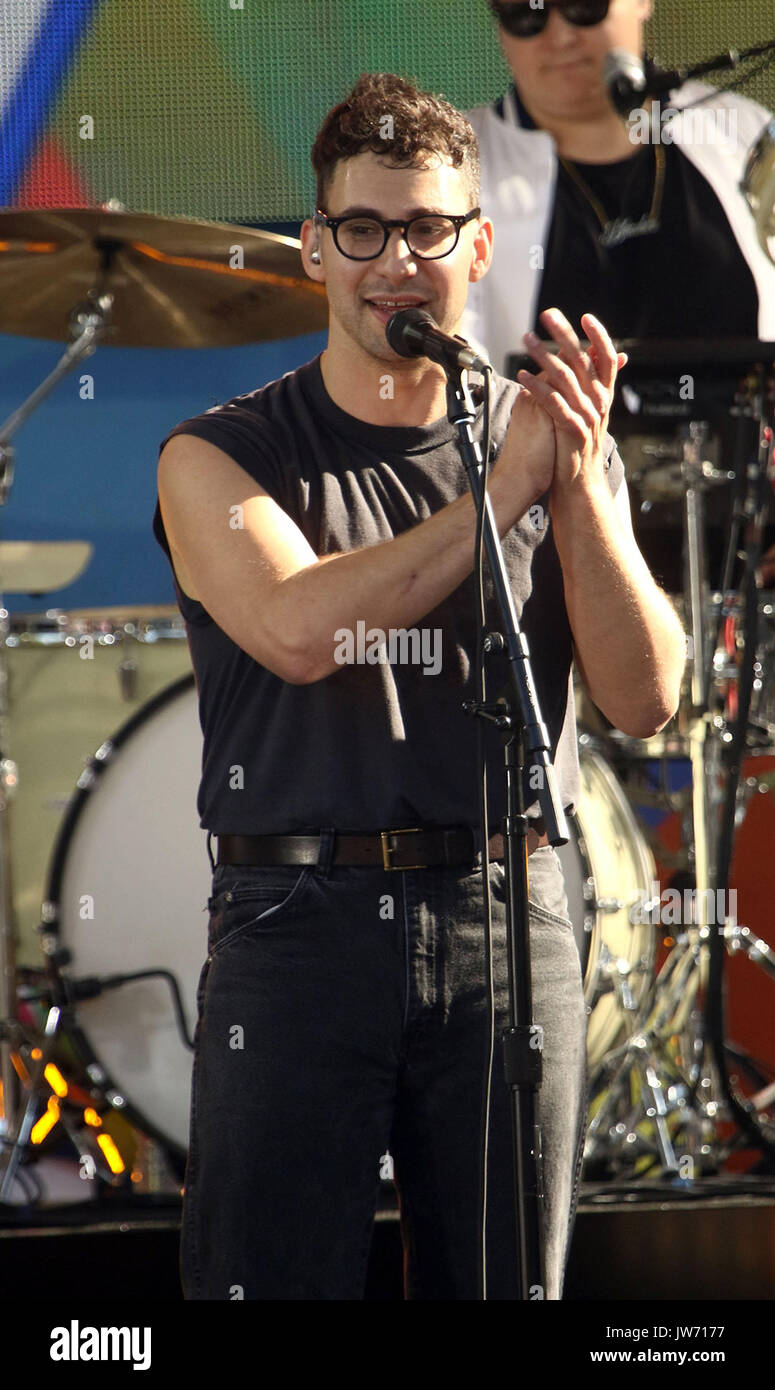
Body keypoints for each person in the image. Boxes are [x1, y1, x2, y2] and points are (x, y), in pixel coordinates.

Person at [153, 72, 685, 1301]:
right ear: (314, 250)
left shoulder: (542, 434)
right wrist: (504, 492)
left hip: (508, 916)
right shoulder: (221, 452)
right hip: (297, 928)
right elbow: (295, 629)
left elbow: (645, 696)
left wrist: (579, 486)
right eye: (362, 230)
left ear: (477, 244)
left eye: (427, 230)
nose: (396, 261)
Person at [462, 0, 775, 373]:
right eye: (528, 14)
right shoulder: (451, 170)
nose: (561, 36)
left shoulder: (742, 132)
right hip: (533, 432)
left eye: (585, 7)